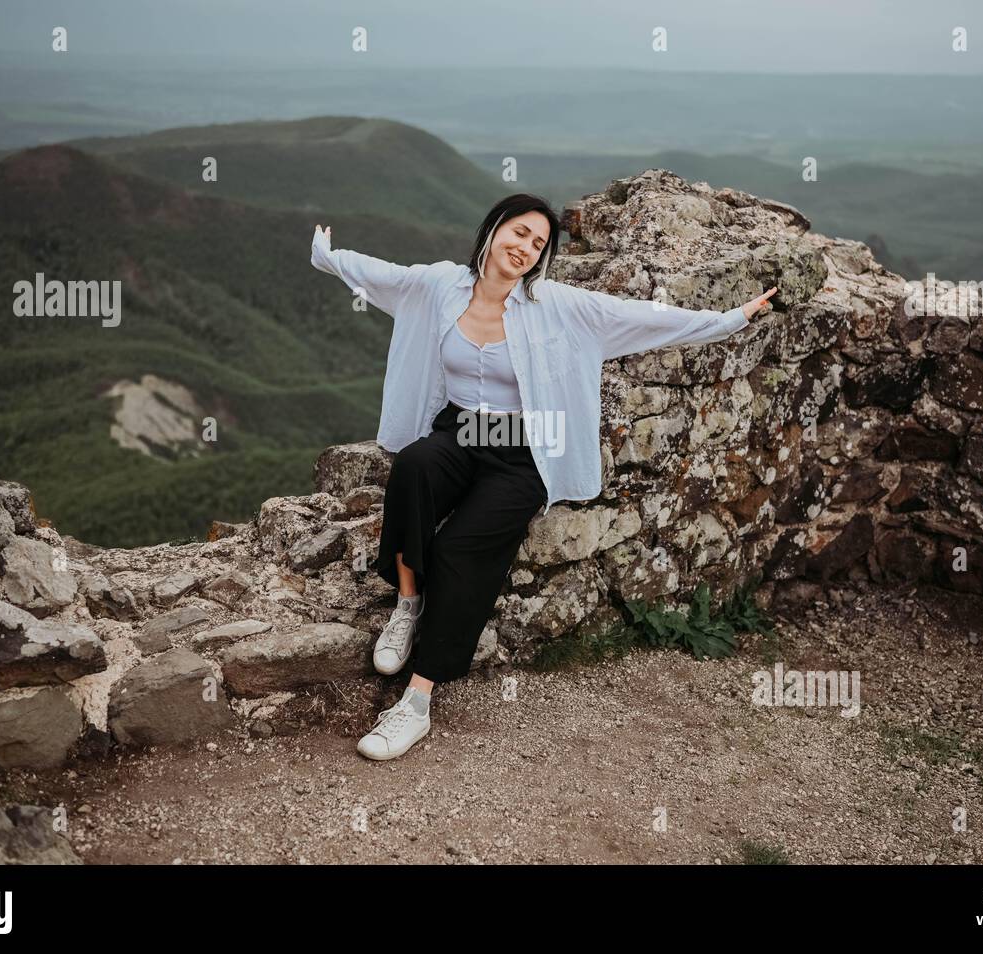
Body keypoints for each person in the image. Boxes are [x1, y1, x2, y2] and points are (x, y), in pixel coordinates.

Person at [309, 194, 776, 760]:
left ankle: (416, 703)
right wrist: (328, 255)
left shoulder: (556, 304)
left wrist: (731, 319)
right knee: (413, 467)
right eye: (520, 233)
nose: (527, 249)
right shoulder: (438, 286)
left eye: (539, 244)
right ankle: (407, 605)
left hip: (523, 446)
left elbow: (642, 317)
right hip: (461, 430)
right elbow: (381, 276)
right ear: (493, 229)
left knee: (460, 547)